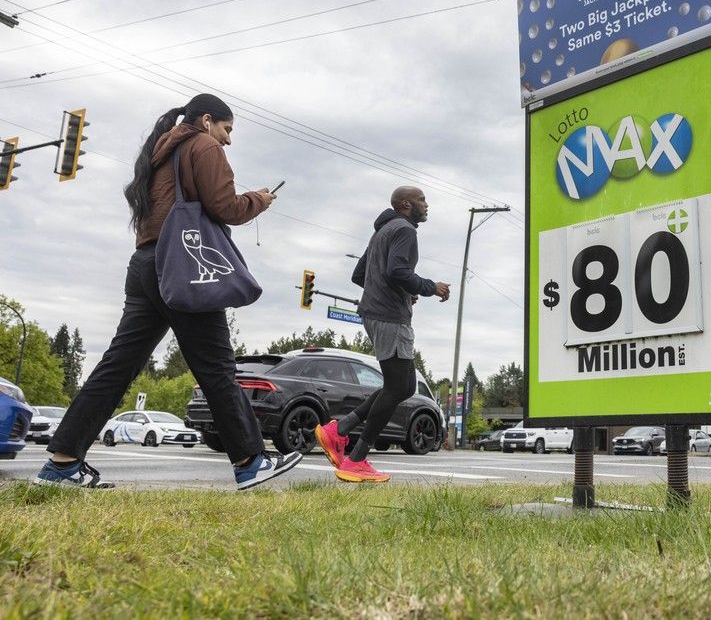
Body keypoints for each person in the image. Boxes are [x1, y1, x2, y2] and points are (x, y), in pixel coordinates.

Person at [34, 93, 302, 490]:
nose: (228, 139)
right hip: (182, 265)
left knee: (117, 366)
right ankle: (251, 461)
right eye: (227, 129)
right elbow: (226, 208)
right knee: (216, 368)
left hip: (145, 263)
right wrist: (259, 200)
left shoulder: (158, 152)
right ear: (207, 120)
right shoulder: (203, 145)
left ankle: (62, 462)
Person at [315, 186, 449, 483]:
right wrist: (430, 287)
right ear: (406, 204)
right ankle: (356, 458)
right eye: (422, 200)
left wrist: (402, 291)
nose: (427, 205)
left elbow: (359, 275)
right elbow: (397, 271)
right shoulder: (405, 230)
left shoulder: (381, 232)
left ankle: (339, 430)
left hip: (375, 314)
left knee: (401, 386)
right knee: (400, 387)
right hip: (390, 316)